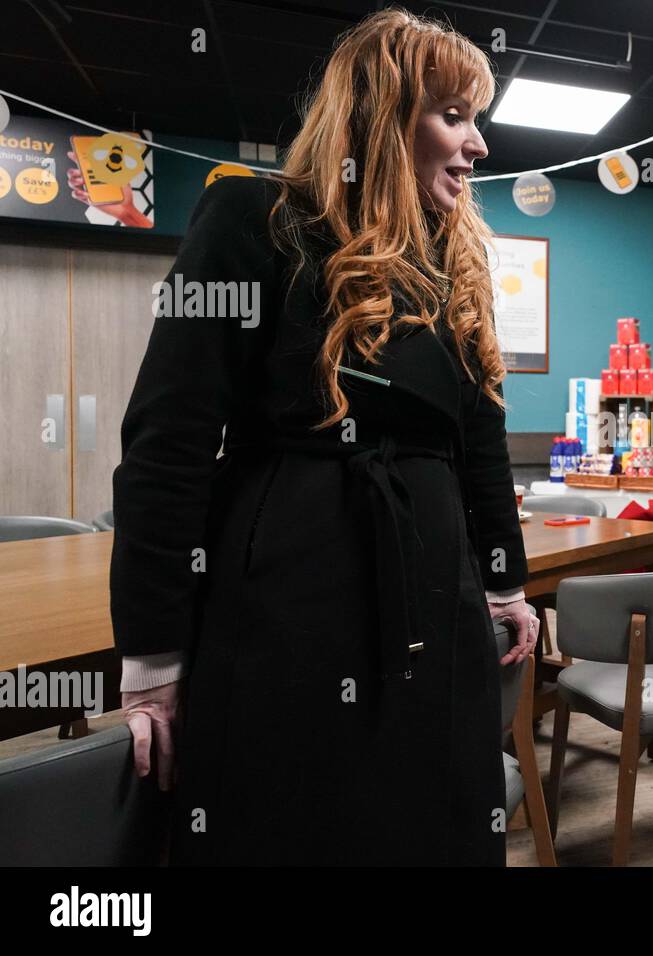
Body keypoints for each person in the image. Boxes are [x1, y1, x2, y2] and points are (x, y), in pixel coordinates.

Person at [109, 8, 538, 865]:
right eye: (453, 115)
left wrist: (504, 579)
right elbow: (169, 438)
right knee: (294, 821)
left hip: (435, 592)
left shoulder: (452, 266)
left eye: (476, 119)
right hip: (287, 590)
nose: (477, 145)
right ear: (381, 115)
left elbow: (479, 434)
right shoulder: (250, 216)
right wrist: (152, 655)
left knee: (437, 822)